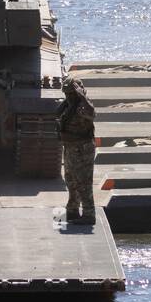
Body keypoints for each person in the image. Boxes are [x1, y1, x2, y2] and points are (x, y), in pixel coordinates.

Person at [56, 77, 97, 225]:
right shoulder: (68, 105)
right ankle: (72, 210)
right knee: (70, 180)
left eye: (71, 93)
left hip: (82, 148)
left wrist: (82, 96)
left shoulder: (82, 106)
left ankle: (89, 214)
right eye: (66, 93)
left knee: (83, 182)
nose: (68, 96)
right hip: (70, 147)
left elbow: (92, 114)